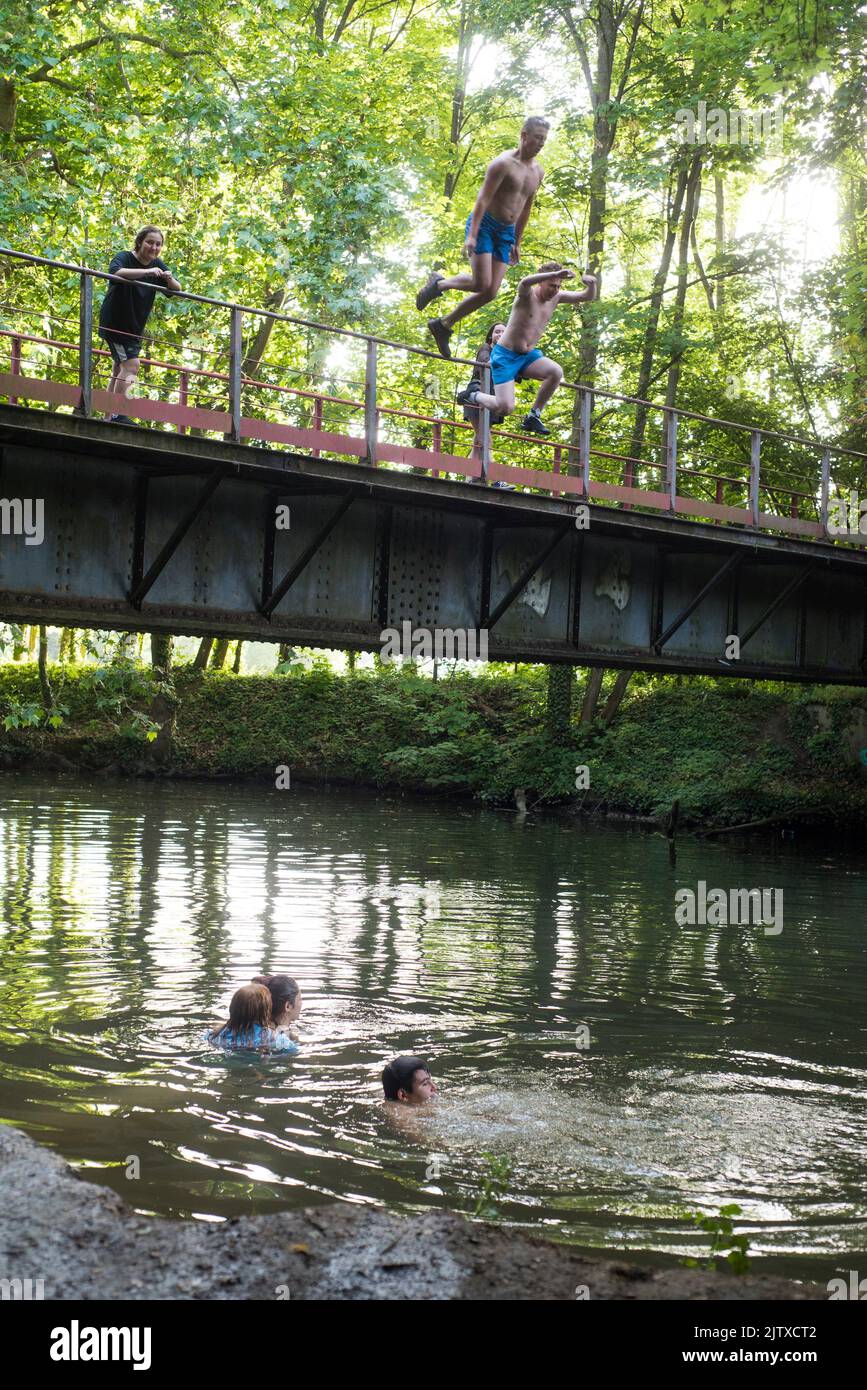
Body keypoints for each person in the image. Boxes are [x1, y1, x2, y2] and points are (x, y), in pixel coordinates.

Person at [415, 117, 549, 359]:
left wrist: (517, 240)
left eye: (544, 139)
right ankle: (439, 284)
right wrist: (472, 235)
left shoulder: (538, 172)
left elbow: (526, 207)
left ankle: (442, 325)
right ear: (524, 135)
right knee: (480, 283)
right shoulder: (502, 164)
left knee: (490, 292)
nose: (541, 143)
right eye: (537, 137)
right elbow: (482, 200)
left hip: (506, 232)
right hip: (485, 224)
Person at [457, 262, 597, 436]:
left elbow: (587, 296)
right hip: (505, 356)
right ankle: (472, 395)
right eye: (551, 285)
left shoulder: (557, 297)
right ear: (541, 282)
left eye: (558, 286)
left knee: (555, 372)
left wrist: (591, 284)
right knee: (505, 408)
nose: (554, 290)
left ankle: (533, 415)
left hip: (527, 356)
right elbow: (524, 282)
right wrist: (553, 274)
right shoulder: (526, 295)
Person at [98, 225, 181, 424]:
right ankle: (119, 413)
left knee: (120, 368)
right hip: (116, 323)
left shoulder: (157, 264)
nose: (154, 247)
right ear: (140, 242)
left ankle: (109, 415)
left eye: (158, 244)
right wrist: (146, 272)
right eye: (150, 242)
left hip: (134, 326)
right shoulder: (124, 257)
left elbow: (176, 289)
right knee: (132, 366)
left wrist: (169, 279)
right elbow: (115, 273)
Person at [206, 983, 299, 1054]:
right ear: (266, 1011)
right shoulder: (272, 1036)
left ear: (233, 1008)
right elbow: (293, 1050)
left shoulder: (217, 1034)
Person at [252, 973, 302, 1038]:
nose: (301, 1003)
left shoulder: (254, 1027)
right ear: (288, 1006)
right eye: (300, 1000)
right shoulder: (282, 1041)